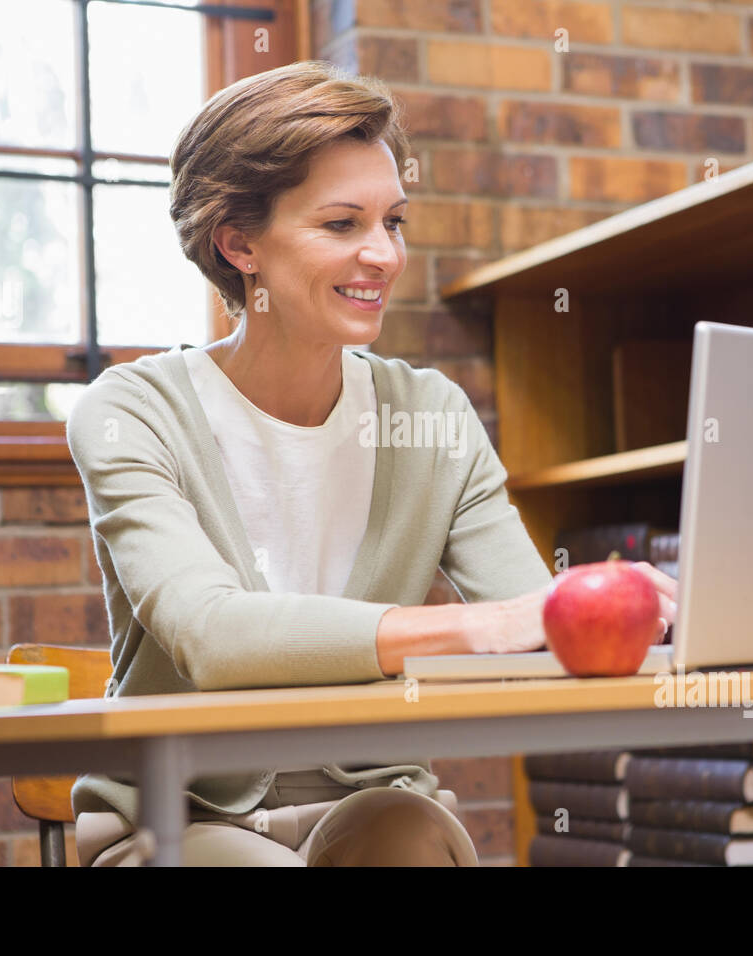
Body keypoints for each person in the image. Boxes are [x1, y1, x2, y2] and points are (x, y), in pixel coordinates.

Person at [67, 60, 679, 867]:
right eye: (342, 224)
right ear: (239, 243)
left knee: (411, 842)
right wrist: (481, 627)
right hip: (179, 820)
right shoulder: (131, 412)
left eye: (393, 221)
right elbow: (211, 634)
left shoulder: (429, 416)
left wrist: (641, 615)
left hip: (375, 809)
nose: (384, 255)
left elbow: (536, 622)